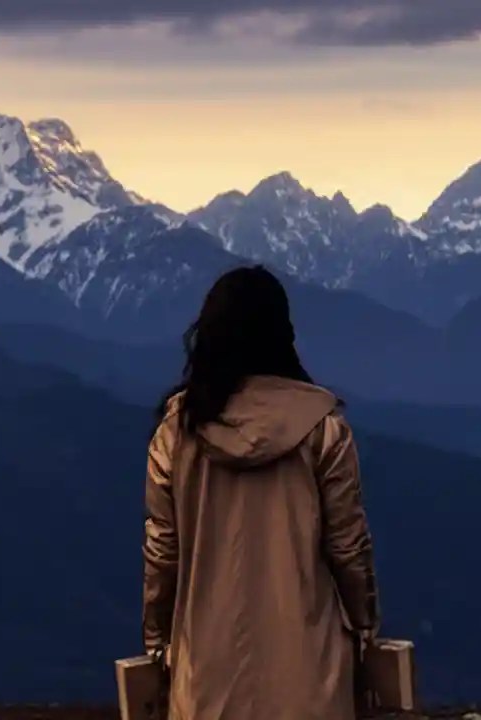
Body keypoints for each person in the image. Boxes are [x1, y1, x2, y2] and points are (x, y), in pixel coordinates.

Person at [142, 265, 381, 720]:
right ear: (283, 335)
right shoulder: (323, 429)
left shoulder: (176, 434)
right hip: (312, 679)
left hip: (203, 682)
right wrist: (364, 624)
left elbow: (162, 552)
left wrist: (157, 640)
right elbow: (348, 546)